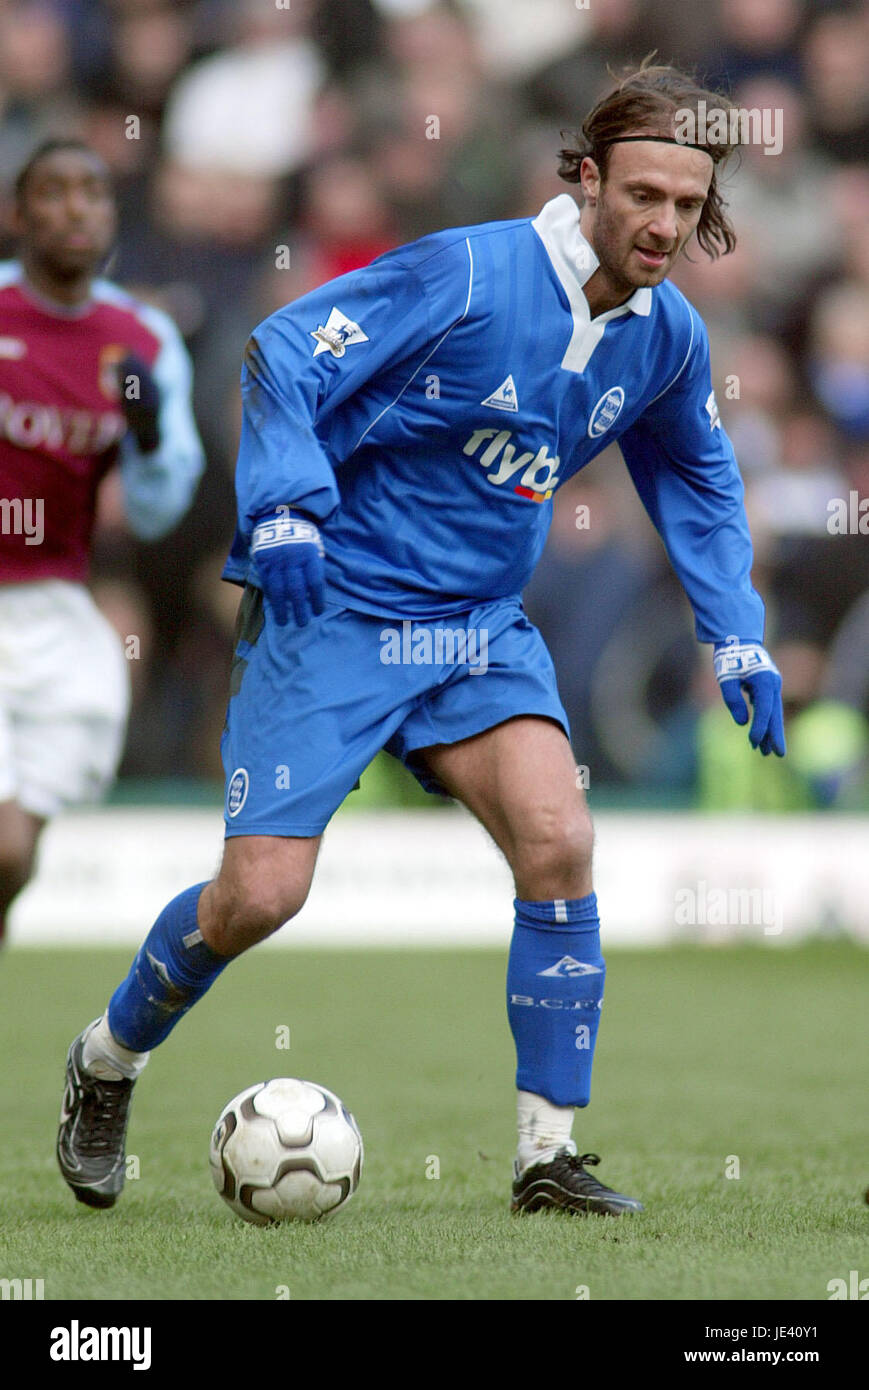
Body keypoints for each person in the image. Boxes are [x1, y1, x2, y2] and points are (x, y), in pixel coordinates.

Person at [57, 62, 785, 1217]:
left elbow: (698, 480)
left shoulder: (665, 336)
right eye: (642, 194)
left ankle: (545, 1155)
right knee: (258, 899)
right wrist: (286, 502)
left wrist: (735, 635)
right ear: (587, 178)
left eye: (687, 206)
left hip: (476, 629)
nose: (663, 224)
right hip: (334, 610)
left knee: (559, 838)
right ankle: (106, 1059)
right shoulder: (466, 274)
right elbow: (283, 350)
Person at [0, 140, 204, 943]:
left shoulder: (140, 339)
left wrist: (149, 436)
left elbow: (158, 512)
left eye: (94, 193)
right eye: (54, 192)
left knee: (14, 858)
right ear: (19, 216)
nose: (77, 208)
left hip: (55, 609)